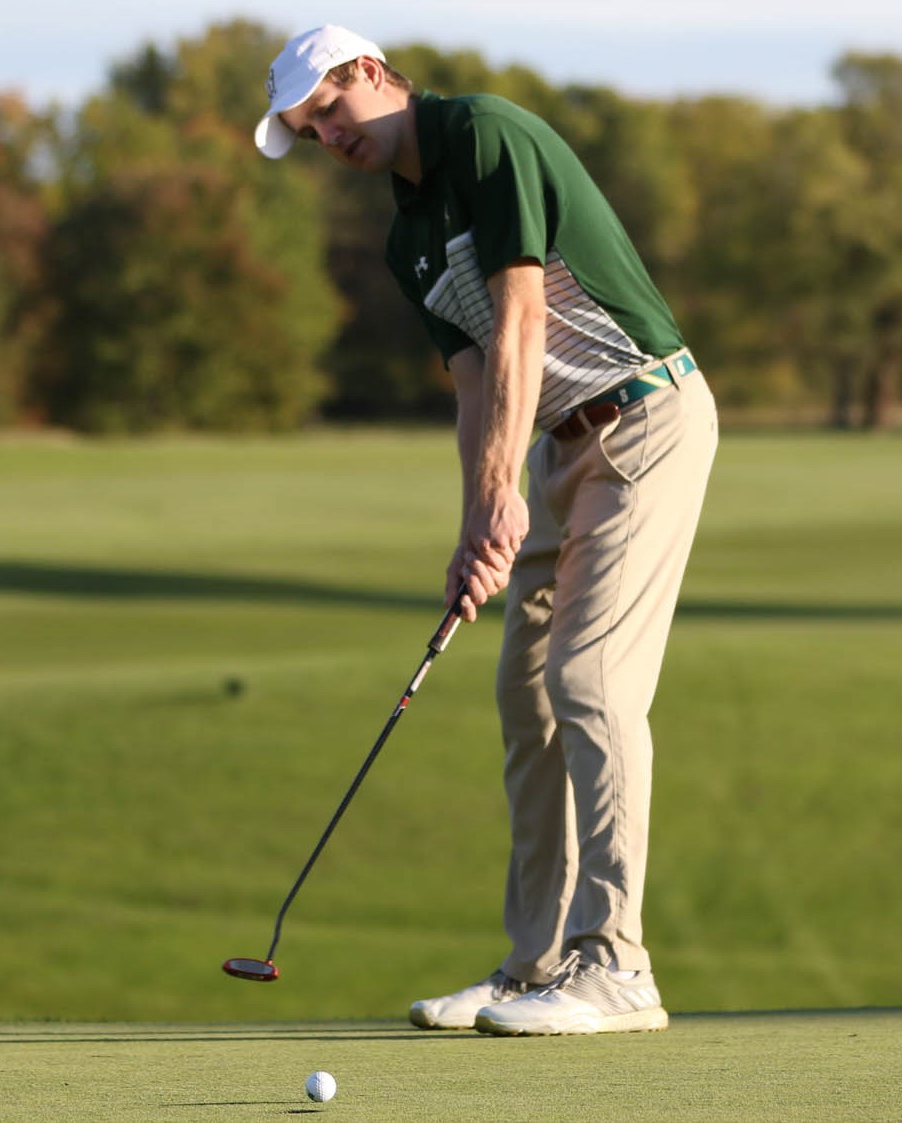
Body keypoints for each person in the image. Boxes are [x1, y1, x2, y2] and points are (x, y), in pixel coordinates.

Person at [256, 26, 718, 1037]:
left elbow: (521, 319)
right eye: (308, 131)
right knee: (525, 694)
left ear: (369, 72)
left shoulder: (482, 135)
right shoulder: (405, 237)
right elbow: (474, 384)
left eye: (328, 111)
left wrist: (502, 490)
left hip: (643, 415)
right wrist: (478, 520)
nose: (327, 137)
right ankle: (535, 967)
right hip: (557, 447)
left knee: (589, 681)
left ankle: (616, 966)